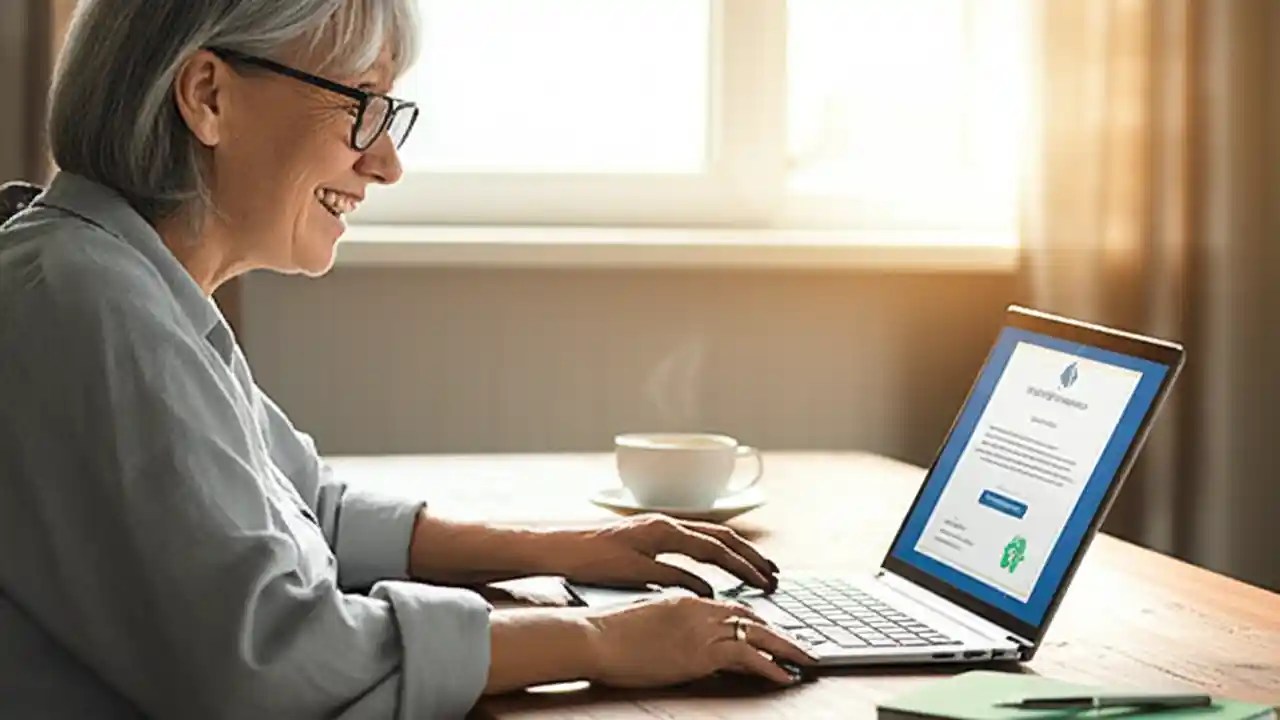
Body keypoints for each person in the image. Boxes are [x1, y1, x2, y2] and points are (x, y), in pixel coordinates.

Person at [0, 1, 814, 718]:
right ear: (209, 96)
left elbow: (305, 507)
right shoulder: (88, 308)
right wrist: (595, 638)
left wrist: (556, 549)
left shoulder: (123, 283)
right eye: (361, 106)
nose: (386, 161)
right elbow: (269, 661)